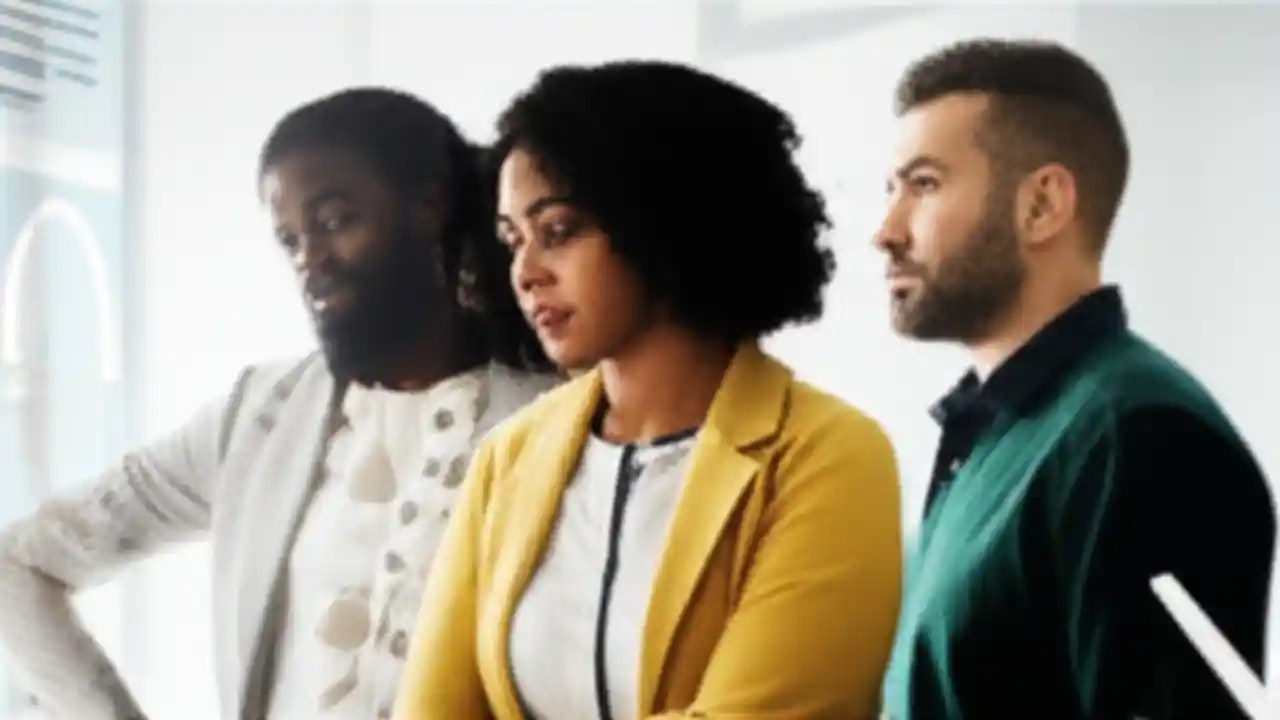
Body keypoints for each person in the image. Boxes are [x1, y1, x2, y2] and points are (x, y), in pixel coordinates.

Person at [0, 88, 560, 720]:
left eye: (334, 221)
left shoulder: (558, 417)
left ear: (428, 206)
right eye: (290, 240)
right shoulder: (260, 418)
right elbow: (18, 565)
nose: (310, 262)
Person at [392, 60, 902, 720]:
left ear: (664, 220)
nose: (525, 271)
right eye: (513, 240)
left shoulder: (828, 455)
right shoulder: (507, 459)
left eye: (559, 232)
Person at [875, 38, 1276, 719]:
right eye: (893, 189)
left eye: (925, 185)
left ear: (1042, 206)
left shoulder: (1139, 436)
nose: (885, 230)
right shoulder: (999, 435)